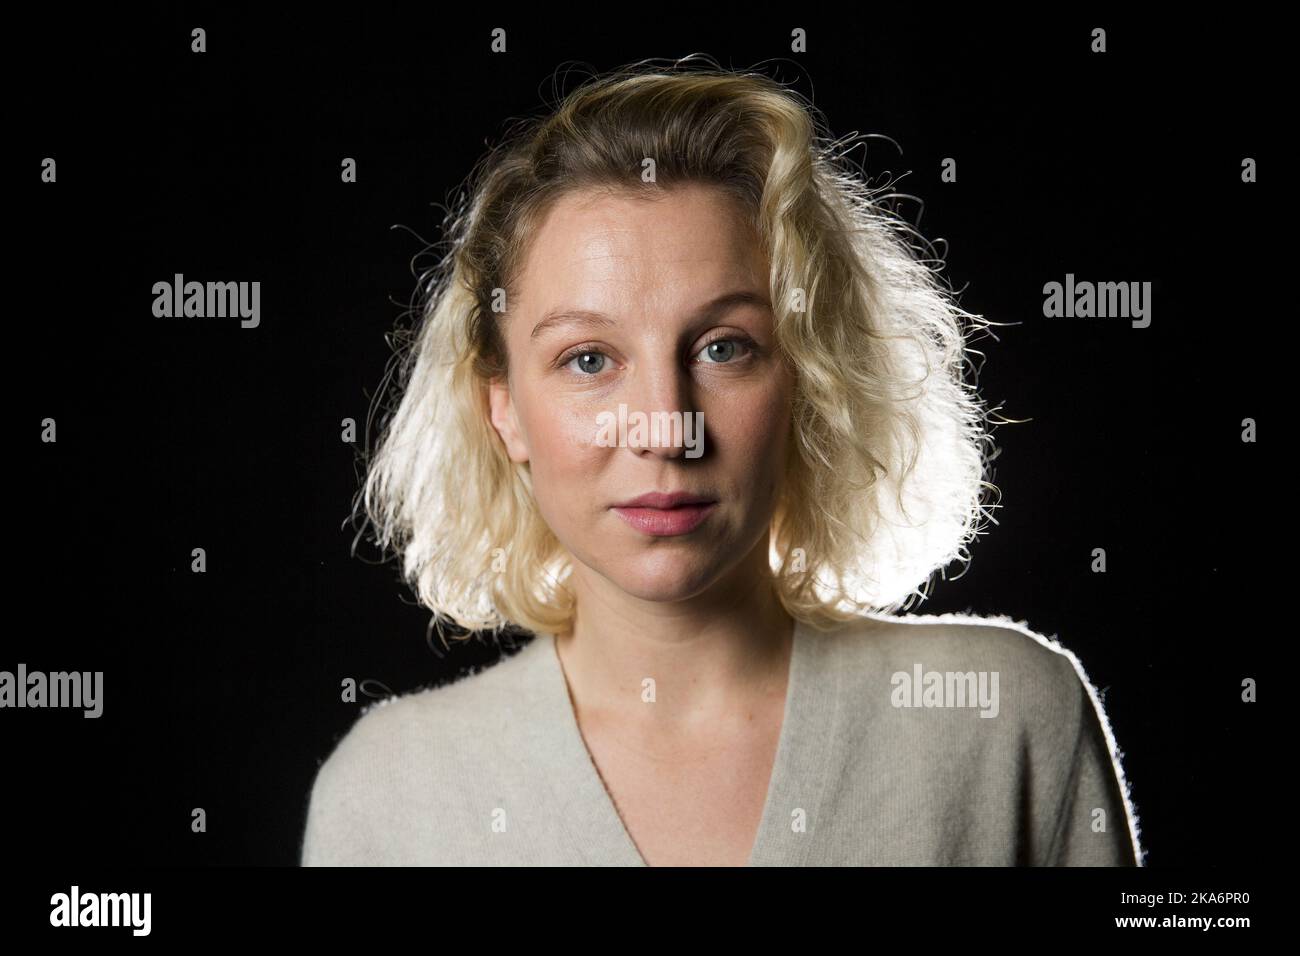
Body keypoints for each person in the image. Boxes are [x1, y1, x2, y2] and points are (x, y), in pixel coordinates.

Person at [301, 59, 1144, 867]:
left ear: (810, 377)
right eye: (589, 359)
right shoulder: (387, 791)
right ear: (505, 410)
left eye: (723, 346)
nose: (666, 428)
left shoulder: (1001, 718)